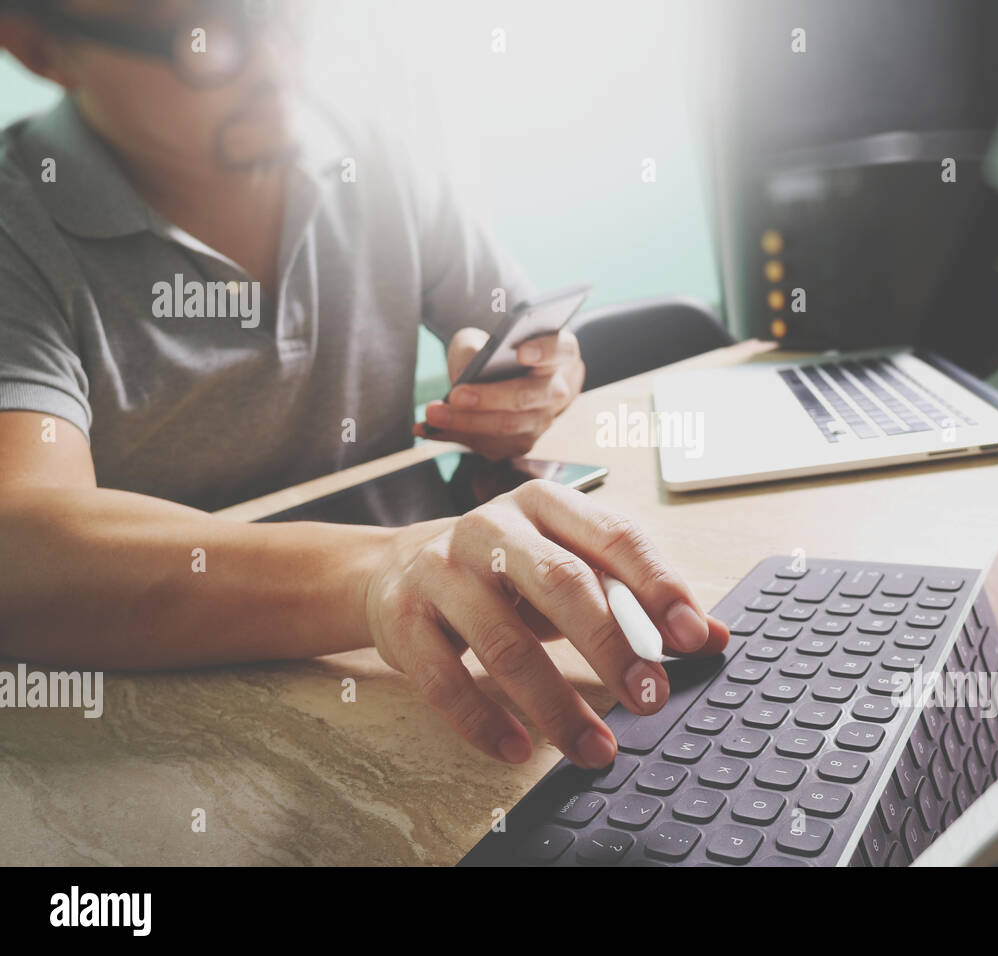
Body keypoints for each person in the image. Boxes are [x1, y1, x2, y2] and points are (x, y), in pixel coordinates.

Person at [0, 0, 728, 771]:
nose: (278, 63)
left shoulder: (369, 152)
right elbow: (20, 548)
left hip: (442, 654)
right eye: (202, 42)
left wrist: (532, 388)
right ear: (40, 47)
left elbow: (531, 338)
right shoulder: (20, 233)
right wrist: (379, 572)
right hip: (176, 739)